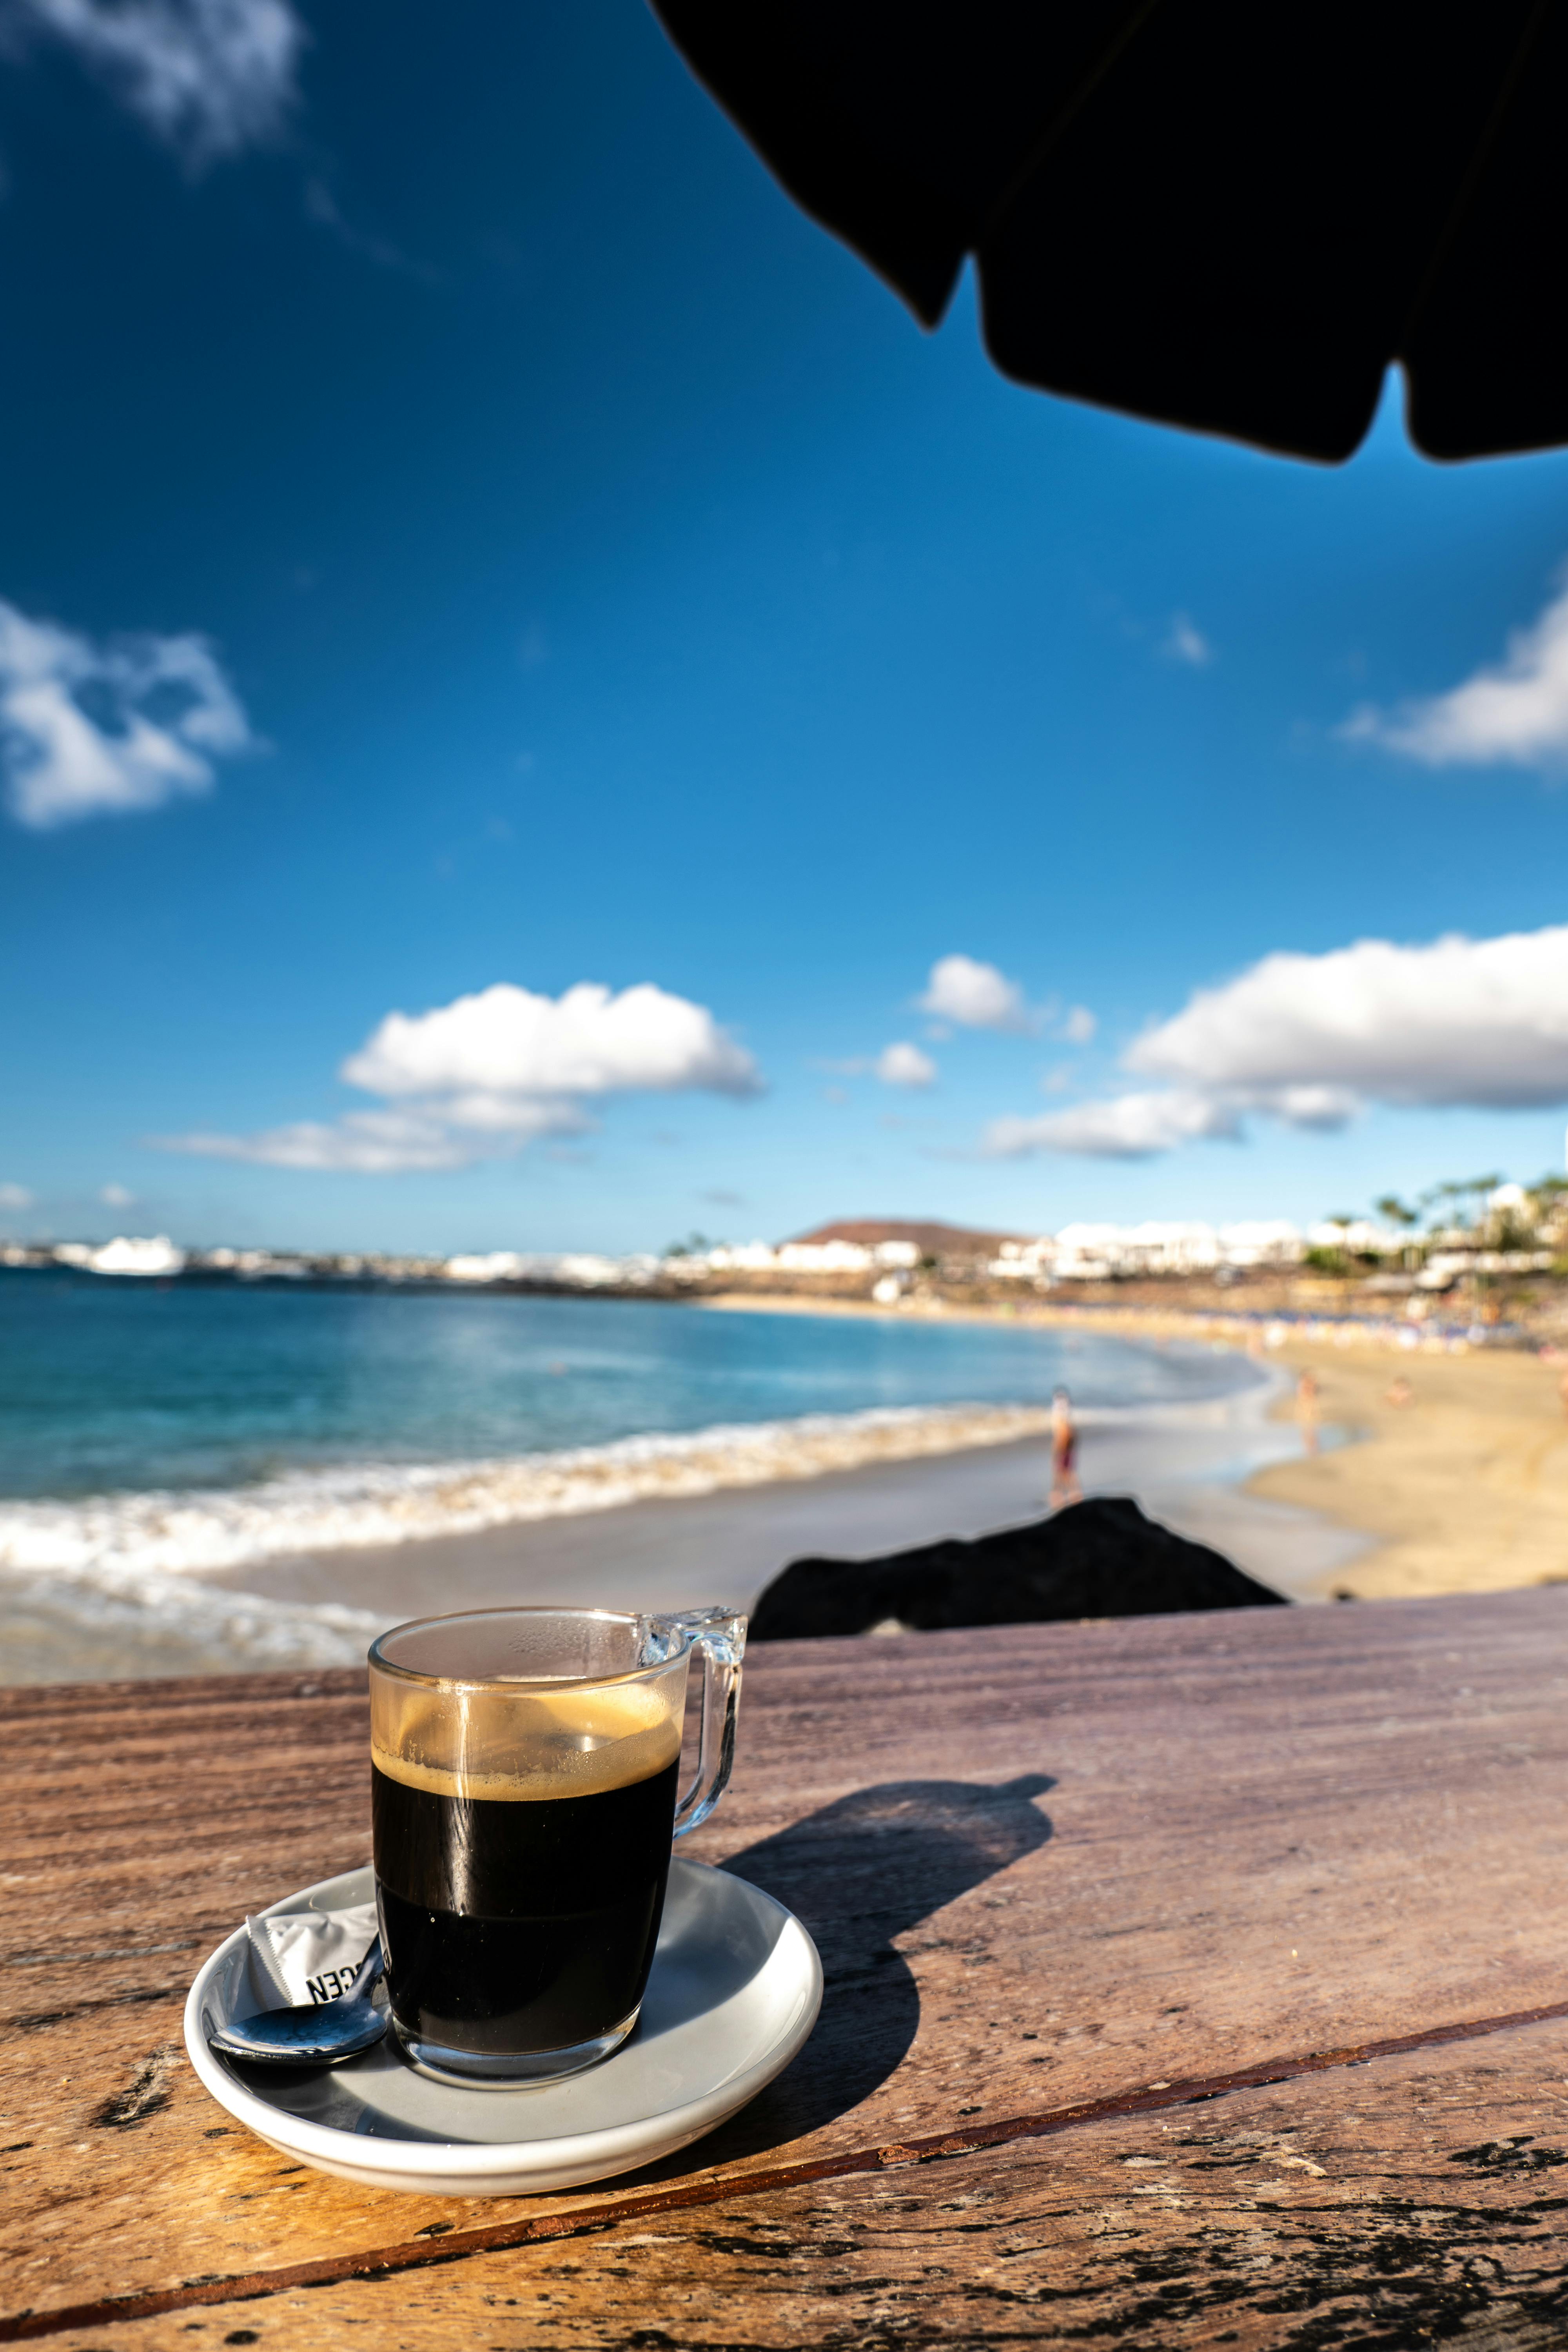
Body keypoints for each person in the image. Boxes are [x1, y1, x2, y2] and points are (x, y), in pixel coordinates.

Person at [1049, 1386, 1082, 1508]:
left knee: (1063, 1470)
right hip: (1066, 1443)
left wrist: (1058, 1448)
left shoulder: (1061, 1416)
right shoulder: (1065, 1415)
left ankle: (1064, 1494)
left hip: (1063, 1444)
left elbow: (1064, 1433)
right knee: (1064, 1470)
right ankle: (1069, 1493)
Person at [1296, 1368, 1320, 1457]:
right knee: (1309, 1426)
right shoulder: (1305, 1382)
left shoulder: (1304, 1382)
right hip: (1307, 1400)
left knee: (1309, 1427)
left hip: (1307, 1400)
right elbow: (1307, 1391)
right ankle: (1311, 1448)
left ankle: (1311, 1448)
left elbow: (1308, 1391)